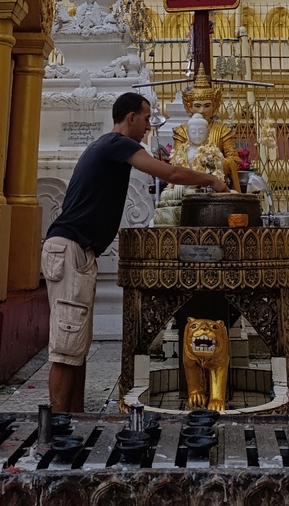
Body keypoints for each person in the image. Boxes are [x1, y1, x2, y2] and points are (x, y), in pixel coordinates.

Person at [41, 91, 229, 411]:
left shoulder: (103, 146)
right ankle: (56, 428)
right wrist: (211, 180)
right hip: (70, 249)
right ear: (130, 117)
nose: (147, 127)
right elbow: (167, 173)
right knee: (66, 345)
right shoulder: (118, 144)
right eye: (145, 119)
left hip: (78, 251)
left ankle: (74, 419)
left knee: (77, 345)